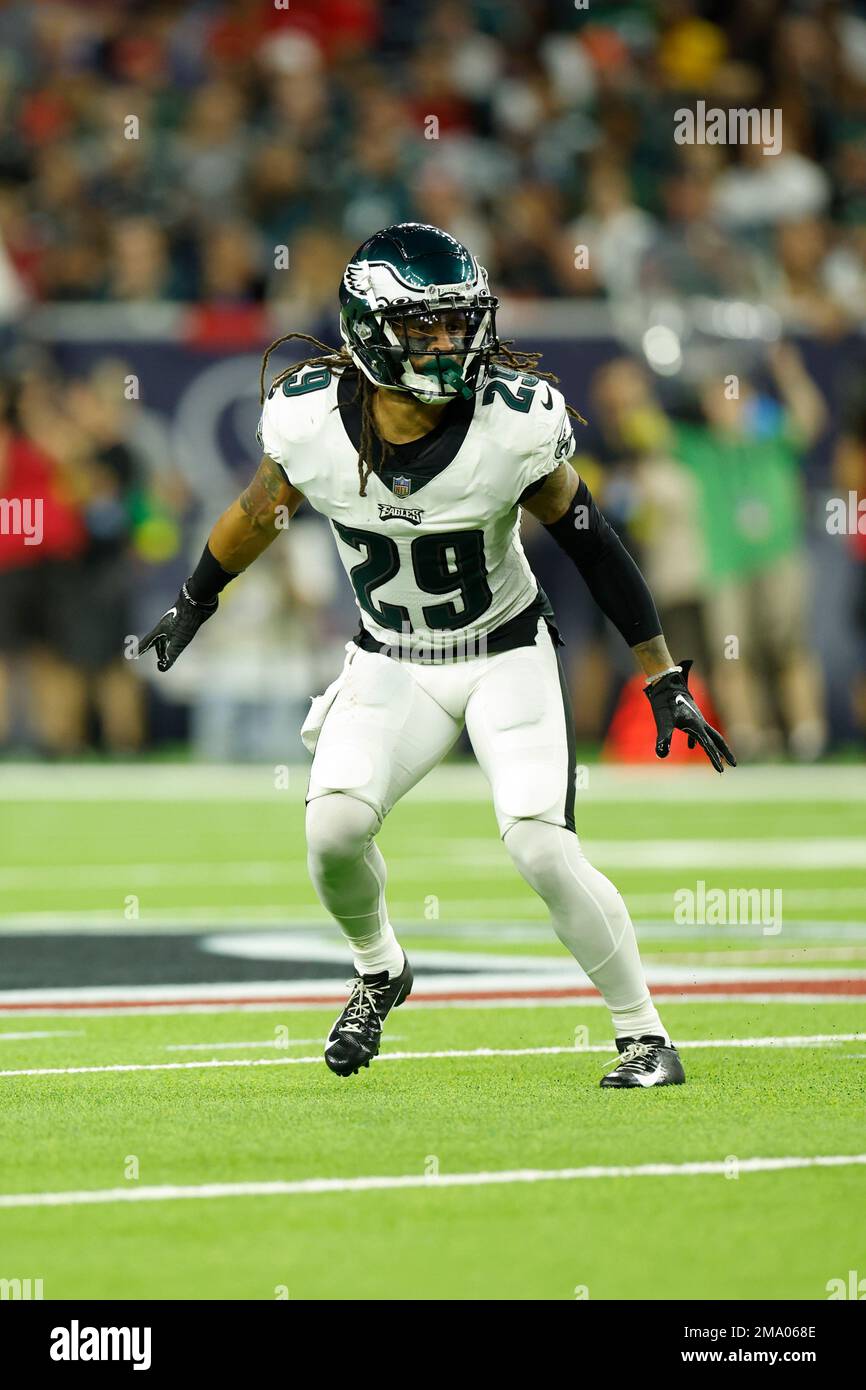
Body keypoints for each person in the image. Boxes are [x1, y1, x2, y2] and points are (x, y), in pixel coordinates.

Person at [139, 223, 735, 1088]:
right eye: (426, 328)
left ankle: (644, 1034)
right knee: (332, 831)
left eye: (460, 323)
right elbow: (259, 512)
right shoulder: (310, 422)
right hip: (391, 658)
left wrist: (662, 671)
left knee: (540, 846)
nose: (451, 343)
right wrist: (195, 598)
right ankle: (379, 969)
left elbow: (592, 542)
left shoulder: (510, 424)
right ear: (370, 330)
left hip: (505, 654)